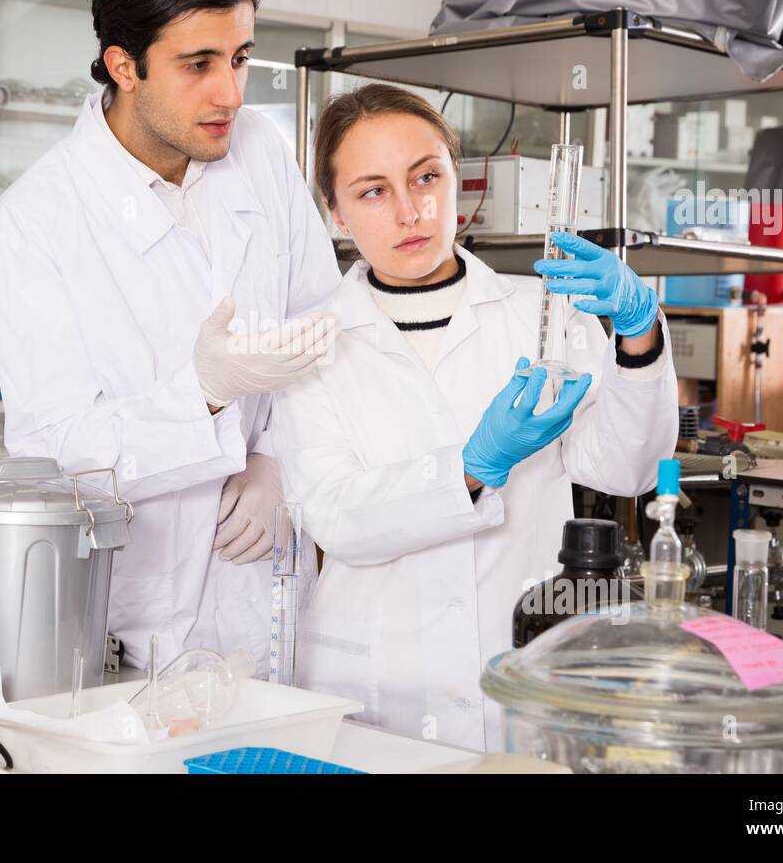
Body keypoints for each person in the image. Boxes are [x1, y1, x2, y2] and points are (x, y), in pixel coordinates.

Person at [271, 84, 678, 751]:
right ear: (334, 212)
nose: (411, 210)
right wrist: (470, 470)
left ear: (457, 180)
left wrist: (638, 331)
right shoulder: (312, 343)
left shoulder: (543, 315)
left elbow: (630, 468)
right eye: (373, 191)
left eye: (426, 176)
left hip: (518, 670)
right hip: (376, 692)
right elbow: (337, 517)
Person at [0, 0, 341, 674]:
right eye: (199, 64)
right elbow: (53, 451)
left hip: (274, 585)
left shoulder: (263, 156)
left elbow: (326, 328)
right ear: (125, 66)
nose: (232, 94)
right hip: (141, 616)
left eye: (241, 58)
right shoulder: (38, 217)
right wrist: (204, 397)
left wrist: (277, 457)